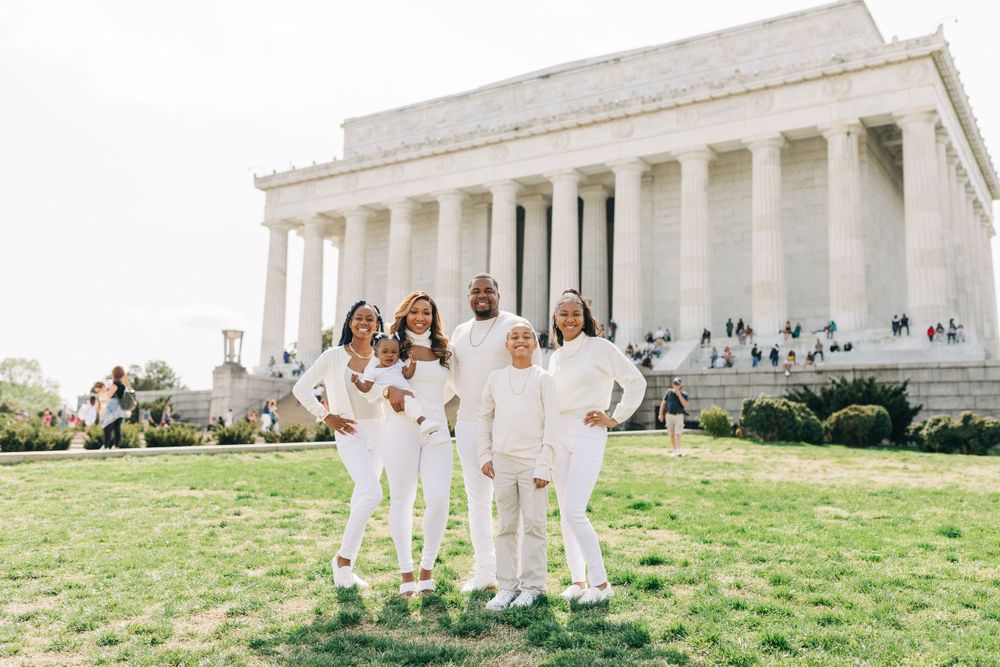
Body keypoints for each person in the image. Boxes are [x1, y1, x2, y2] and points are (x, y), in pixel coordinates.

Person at [548, 289, 646, 605]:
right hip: (558, 434)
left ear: (585, 318)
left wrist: (615, 417)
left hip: (589, 430)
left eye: (575, 313)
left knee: (575, 510)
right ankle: (577, 581)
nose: (569, 319)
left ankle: (602, 585)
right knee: (565, 512)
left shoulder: (600, 348)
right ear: (556, 319)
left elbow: (635, 381)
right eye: (563, 314)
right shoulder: (555, 356)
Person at [449, 274, 540, 593]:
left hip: (508, 426)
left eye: (488, 291)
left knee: (509, 501)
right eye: (475, 291)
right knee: (477, 500)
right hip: (469, 423)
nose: (482, 296)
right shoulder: (460, 332)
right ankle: (484, 570)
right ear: (469, 296)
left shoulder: (515, 324)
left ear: (499, 295)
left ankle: (512, 572)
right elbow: (454, 378)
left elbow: (534, 370)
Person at [293, 299, 388, 589]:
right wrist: (326, 415)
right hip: (349, 433)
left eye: (370, 319)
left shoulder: (383, 356)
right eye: (359, 318)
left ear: (377, 325)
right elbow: (300, 388)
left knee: (360, 499)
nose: (364, 323)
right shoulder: (333, 356)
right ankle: (342, 560)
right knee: (372, 494)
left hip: (380, 434)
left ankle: (345, 573)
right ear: (350, 322)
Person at [478, 324, 558, 611]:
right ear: (507, 345)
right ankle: (507, 587)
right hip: (502, 462)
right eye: (515, 337)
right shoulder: (496, 378)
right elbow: (485, 418)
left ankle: (532, 587)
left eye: (527, 336)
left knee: (535, 526)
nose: (521, 340)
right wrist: (484, 455)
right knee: (506, 527)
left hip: (533, 464)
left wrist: (544, 465)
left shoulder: (543, 379)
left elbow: (553, 424)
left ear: (535, 344)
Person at [381, 291, 455, 597]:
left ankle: (427, 568)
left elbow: (451, 388)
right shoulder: (392, 346)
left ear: (433, 316)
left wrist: (432, 405)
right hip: (400, 429)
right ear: (405, 314)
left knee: (438, 499)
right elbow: (371, 380)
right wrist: (388, 393)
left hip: (436, 428)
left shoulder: (444, 349)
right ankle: (406, 572)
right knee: (402, 500)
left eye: (426, 312)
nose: (420, 317)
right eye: (414, 312)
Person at [350, 334, 443, 441]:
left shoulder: (398, 364)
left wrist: (413, 363)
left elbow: (408, 375)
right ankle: (423, 422)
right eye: (385, 352)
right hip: (399, 398)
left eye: (394, 352)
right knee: (412, 407)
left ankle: (434, 433)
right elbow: (366, 388)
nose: (389, 355)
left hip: (409, 392)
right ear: (376, 354)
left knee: (425, 405)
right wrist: (357, 382)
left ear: (398, 354)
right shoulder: (373, 371)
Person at [97, 366, 132, 449]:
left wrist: (102, 396)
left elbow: (108, 396)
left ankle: (105, 446)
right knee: (117, 428)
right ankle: (116, 446)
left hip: (113, 408)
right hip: (121, 409)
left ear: (114, 374)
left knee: (107, 427)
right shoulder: (123, 385)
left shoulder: (115, 384)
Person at [658, 377, 689, 457]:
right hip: (669, 415)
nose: (676, 385)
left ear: (680, 385)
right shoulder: (669, 393)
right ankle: (675, 450)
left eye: (678, 384)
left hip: (678, 416)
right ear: (673, 384)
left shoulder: (684, 394)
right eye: (675, 384)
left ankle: (678, 451)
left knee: (677, 433)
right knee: (671, 434)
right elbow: (663, 403)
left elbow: (685, 405)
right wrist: (661, 414)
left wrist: (679, 395)